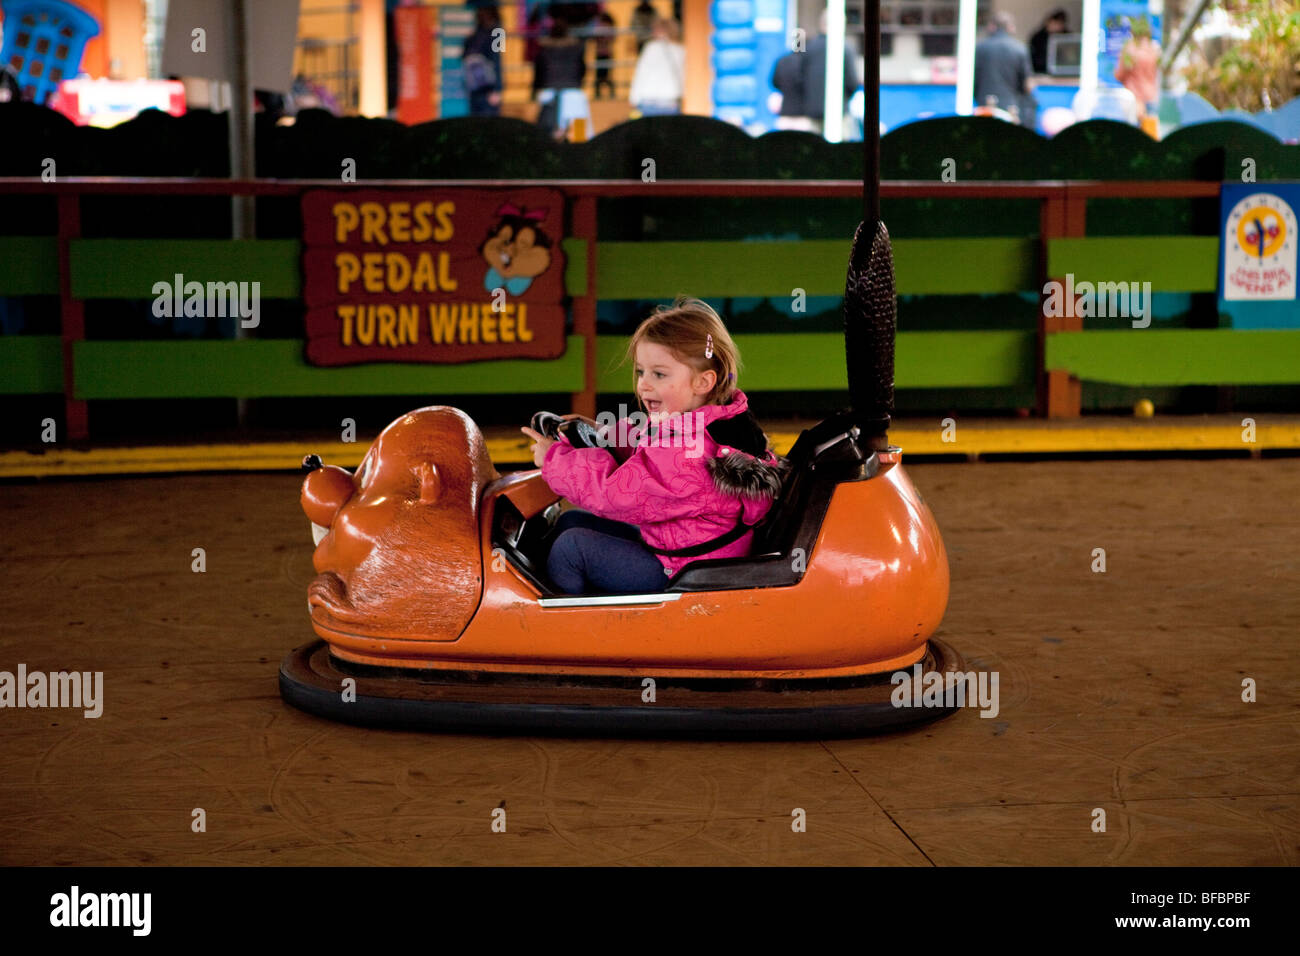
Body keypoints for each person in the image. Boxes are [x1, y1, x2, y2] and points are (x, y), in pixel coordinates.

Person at [521, 298, 785, 595]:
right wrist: (599, 433)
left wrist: (555, 460)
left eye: (658, 374)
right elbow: (645, 442)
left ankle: (568, 634)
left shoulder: (688, 455)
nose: (644, 384)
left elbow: (613, 495)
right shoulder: (708, 423)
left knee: (572, 549)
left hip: (682, 573)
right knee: (570, 521)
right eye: (640, 372)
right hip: (677, 548)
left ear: (703, 382)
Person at [532, 18, 589, 138]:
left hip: (550, 97)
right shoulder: (577, 48)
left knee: (550, 140)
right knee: (579, 137)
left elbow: (538, 74)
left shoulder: (544, 50)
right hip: (575, 97)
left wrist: (534, 90)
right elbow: (583, 70)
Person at [973, 11, 1033, 120]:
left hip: (984, 106)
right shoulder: (1019, 49)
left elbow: (972, 79)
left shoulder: (980, 48)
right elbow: (1027, 84)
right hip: (1011, 108)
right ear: (1010, 27)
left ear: (992, 26)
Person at [629, 17, 685, 116]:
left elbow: (641, 73)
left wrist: (633, 98)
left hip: (649, 102)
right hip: (671, 103)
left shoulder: (650, 48)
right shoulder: (681, 50)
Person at [462, 5, 504, 117]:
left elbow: (464, 56)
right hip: (487, 86)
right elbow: (497, 60)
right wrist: (498, 88)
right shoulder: (497, 32)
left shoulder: (476, 34)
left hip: (476, 86)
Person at [1029, 8, 1069, 74]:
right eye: (1055, 23)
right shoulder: (1038, 37)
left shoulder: (1066, 36)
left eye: (1060, 24)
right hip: (1041, 71)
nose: (1057, 27)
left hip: (1062, 71)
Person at [590, 10, 617, 100]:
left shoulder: (602, 26)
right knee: (602, 76)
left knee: (603, 76)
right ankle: (601, 94)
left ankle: (601, 94)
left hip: (604, 53)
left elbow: (611, 38)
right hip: (603, 53)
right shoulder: (605, 26)